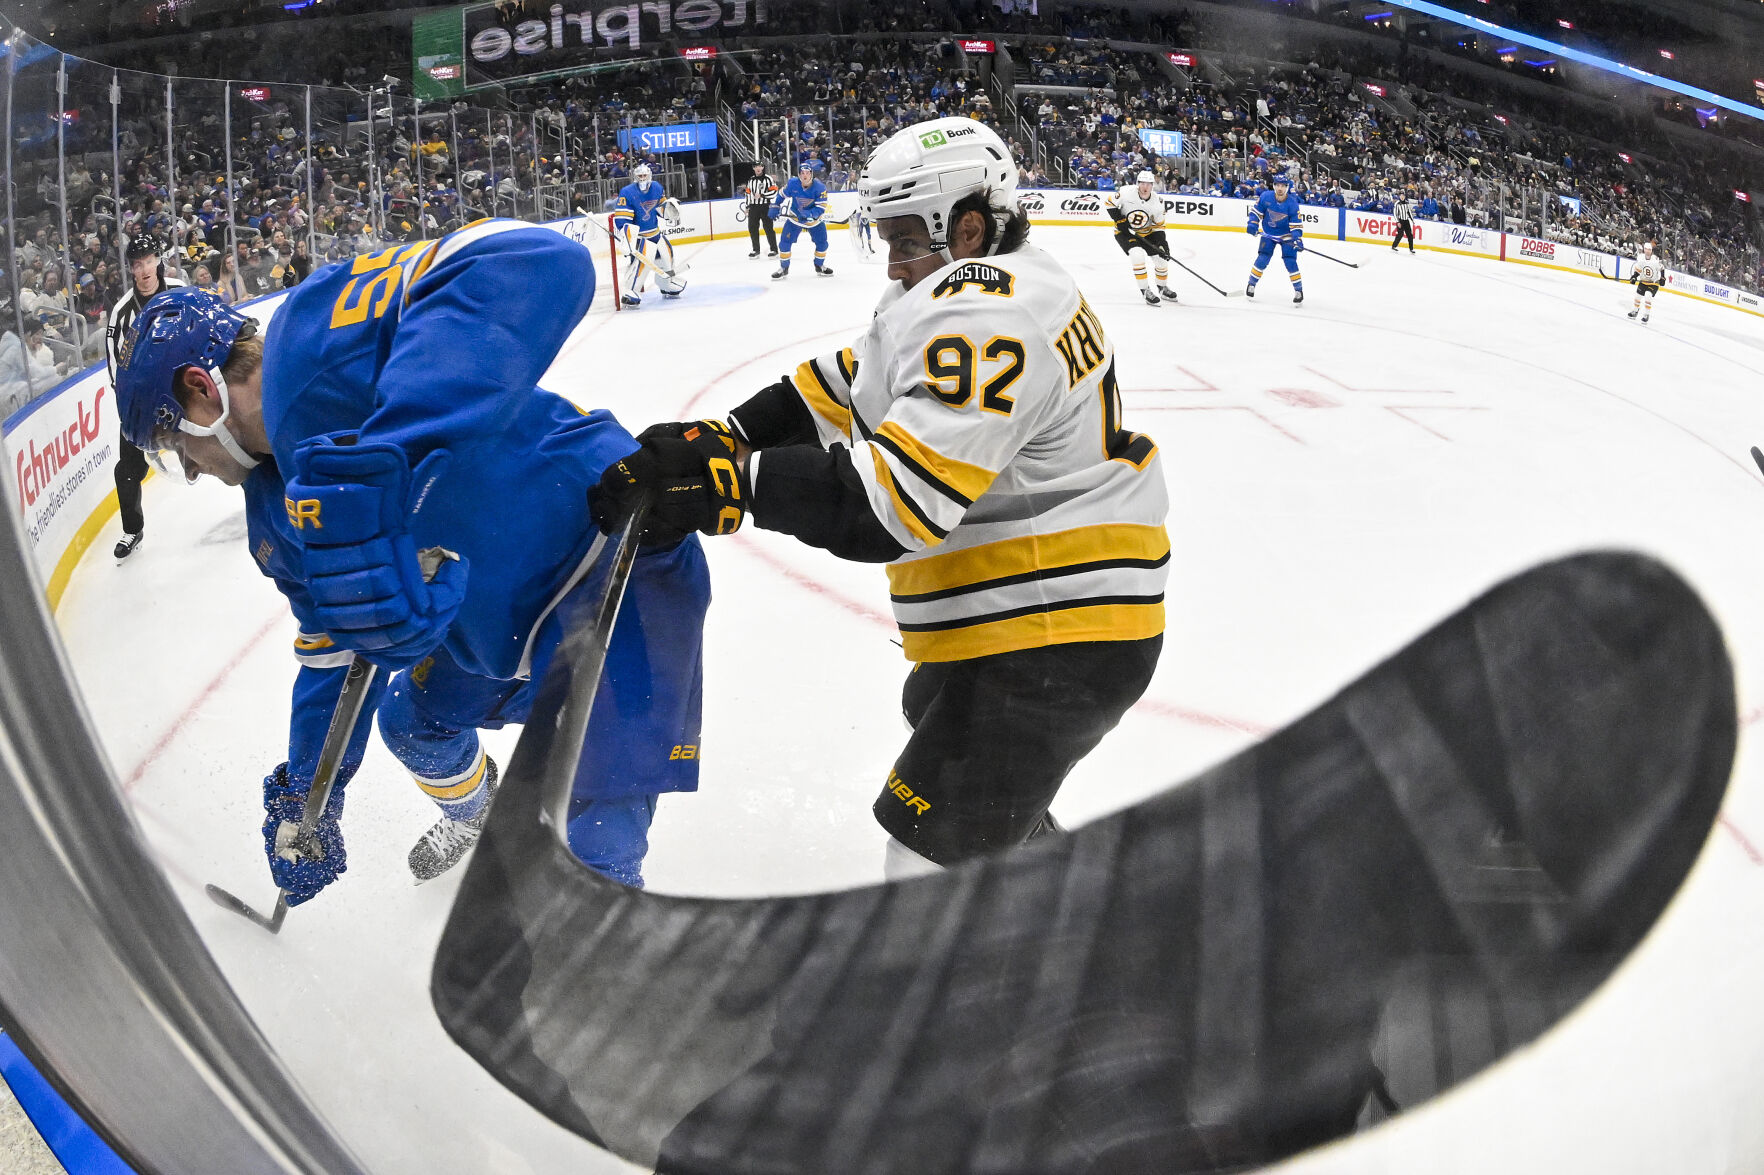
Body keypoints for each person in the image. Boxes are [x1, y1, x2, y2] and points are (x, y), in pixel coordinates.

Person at [598, 117, 1167, 879]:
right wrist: (730, 434)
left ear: (968, 226)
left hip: (1053, 628)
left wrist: (731, 484)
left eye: (904, 239)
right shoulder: (992, 280)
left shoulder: (987, 312)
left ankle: (1057, 942)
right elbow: (849, 381)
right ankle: (1073, 906)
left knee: (924, 855)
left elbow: (896, 505)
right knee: (943, 745)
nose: (894, 262)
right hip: (1034, 616)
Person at [112, 220, 711, 905]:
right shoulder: (275, 517)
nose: (190, 470)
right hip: (499, 625)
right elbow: (335, 651)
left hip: (614, 561)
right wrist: (311, 791)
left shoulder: (312, 336)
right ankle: (479, 815)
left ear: (201, 388)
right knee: (412, 724)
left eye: (173, 443)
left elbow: (539, 258)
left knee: (589, 856)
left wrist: (396, 456)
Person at [105, 234, 186, 560]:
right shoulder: (121, 313)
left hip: (183, 389)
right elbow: (115, 370)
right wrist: (131, 411)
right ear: (131, 269)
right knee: (127, 469)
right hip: (142, 402)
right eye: (138, 264)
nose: (145, 269)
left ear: (159, 261)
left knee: (227, 430)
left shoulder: (179, 291)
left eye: (149, 260)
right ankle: (132, 529)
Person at [611, 163, 685, 307]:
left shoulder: (657, 187)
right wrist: (627, 236)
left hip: (655, 233)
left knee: (667, 256)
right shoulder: (627, 192)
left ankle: (666, 284)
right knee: (641, 265)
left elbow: (661, 207)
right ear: (635, 177)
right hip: (640, 237)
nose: (642, 178)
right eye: (640, 176)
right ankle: (631, 291)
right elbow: (622, 216)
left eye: (645, 175)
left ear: (649, 175)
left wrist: (669, 209)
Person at [1106, 170, 1179, 307]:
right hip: (1125, 232)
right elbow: (1109, 203)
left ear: (1152, 185)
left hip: (1147, 233)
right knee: (1137, 255)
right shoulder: (1126, 192)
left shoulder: (1158, 202)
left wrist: (1162, 244)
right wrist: (1119, 220)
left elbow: (1158, 226)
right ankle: (1145, 291)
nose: (1145, 187)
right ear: (1137, 184)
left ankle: (1162, 288)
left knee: (1161, 260)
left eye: (1149, 184)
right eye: (1142, 183)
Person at [1246, 171, 1304, 304]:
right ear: (1274, 186)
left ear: (1287, 187)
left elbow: (1296, 226)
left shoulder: (1292, 204)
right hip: (1269, 233)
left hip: (1287, 235)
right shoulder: (1265, 196)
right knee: (1263, 258)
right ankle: (1251, 284)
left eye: (1283, 186)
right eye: (1277, 185)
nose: (1280, 188)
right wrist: (1252, 223)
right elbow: (1255, 213)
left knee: (1290, 261)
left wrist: (1297, 239)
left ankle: (1299, 290)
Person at [769, 162, 833, 280]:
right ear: (799, 175)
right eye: (802, 173)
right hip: (795, 218)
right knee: (784, 243)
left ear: (811, 174)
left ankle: (819, 265)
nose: (805, 176)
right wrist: (775, 206)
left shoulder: (820, 188)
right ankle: (784, 268)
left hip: (814, 221)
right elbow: (781, 195)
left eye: (807, 173)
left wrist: (809, 214)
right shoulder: (793, 183)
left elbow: (821, 208)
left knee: (822, 243)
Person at [743, 162, 780, 259]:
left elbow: (774, 191)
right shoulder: (751, 180)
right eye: (756, 167)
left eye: (760, 166)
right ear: (753, 168)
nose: (758, 168)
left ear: (763, 167)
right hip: (753, 207)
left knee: (768, 228)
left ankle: (774, 250)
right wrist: (747, 206)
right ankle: (756, 250)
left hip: (765, 206)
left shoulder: (768, 179)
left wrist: (762, 195)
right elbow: (748, 194)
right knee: (752, 228)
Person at [1629, 240, 1664, 323]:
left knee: (1648, 295)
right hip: (1643, 281)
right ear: (1644, 250)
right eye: (1646, 249)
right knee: (1637, 297)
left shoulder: (1655, 260)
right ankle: (1635, 311)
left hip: (1653, 283)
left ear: (1651, 251)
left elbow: (1662, 268)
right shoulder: (1641, 259)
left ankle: (1646, 315)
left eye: (1649, 250)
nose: (1648, 251)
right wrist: (1634, 277)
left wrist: (1662, 278)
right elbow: (1638, 270)